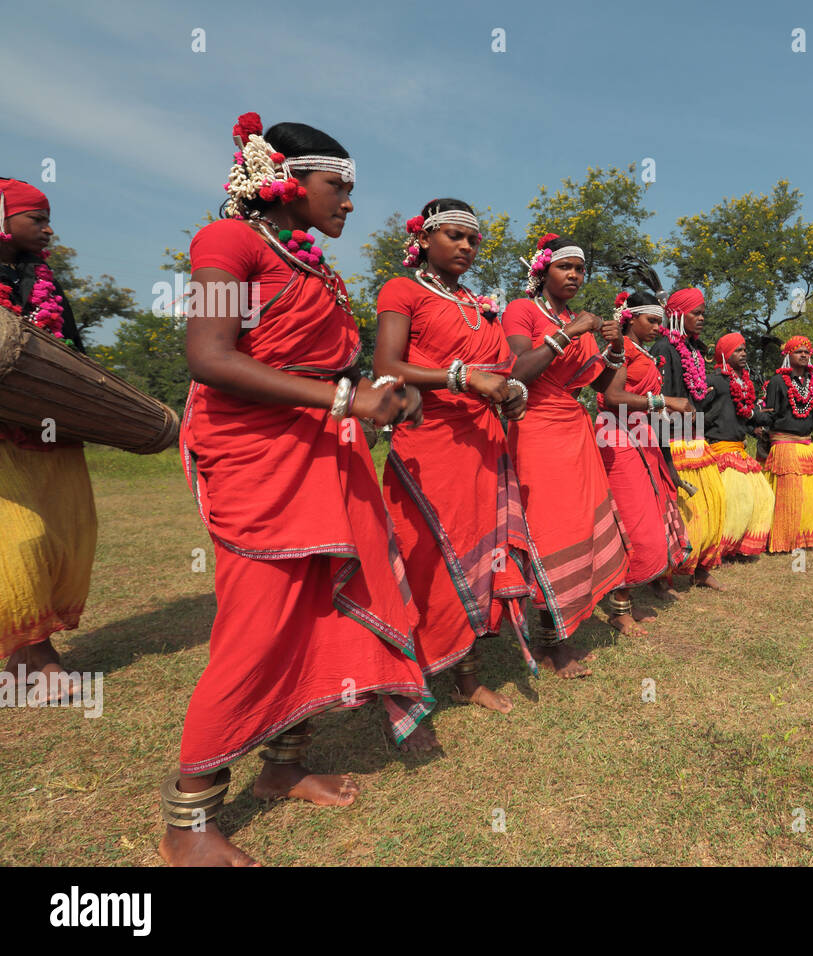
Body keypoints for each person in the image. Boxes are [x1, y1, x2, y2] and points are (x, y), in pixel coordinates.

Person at [160, 114, 431, 866]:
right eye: (337, 188)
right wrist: (347, 402)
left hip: (318, 455)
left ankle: (283, 764)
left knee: (314, 618)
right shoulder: (229, 244)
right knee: (257, 627)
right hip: (255, 462)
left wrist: (381, 391)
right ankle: (187, 822)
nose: (348, 203)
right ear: (288, 181)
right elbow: (209, 357)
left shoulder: (310, 266)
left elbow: (334, 367)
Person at [374, 198, 533, 750]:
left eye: (474, 240)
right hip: (429, 446)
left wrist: (510, 393)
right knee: (423, 565)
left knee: (476, 561)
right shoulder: (403, 291)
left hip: (482, 447)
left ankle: (466, 678)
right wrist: (465, 380)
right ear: (424, 237)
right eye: (455, 236)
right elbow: (387, 368)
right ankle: (408, 696)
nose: (466, 247)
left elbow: (503, 371)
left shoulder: (477, 303)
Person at [502, 234, 632, 675]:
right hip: (534, 427)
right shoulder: (523, 310)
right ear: (543, 271)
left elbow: (600, 387)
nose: (574, 275)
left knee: (578, 527)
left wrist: (615, 348)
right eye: (565, 267)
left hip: (574, 431)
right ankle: (552, 642)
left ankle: (560, 635)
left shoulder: (580, 319)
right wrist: (567, 333)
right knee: (549, 530)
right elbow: (518, 370)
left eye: (579, 269)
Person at [0, 178, 96, 701]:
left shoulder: (43, 281)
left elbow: (71, 349)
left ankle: (21, 657)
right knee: (20, 539)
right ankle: (42, 657)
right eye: (36, 218)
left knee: (63, 536)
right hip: (2, 437)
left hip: (51, 430)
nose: (47, 228)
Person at [595, 291, 692, 621]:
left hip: (639, 436)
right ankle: (619, 609)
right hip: (617, 437)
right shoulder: (621, 349)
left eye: (660, 322)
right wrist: (664, 402)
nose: (657, 328)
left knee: (646, 519)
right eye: (651, 320)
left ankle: (627, 599)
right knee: (630, 521)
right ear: (630, 318)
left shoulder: (642, 352)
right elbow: (611, 397)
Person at [650, 287, 726, 588]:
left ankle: (700, 569)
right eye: (696, 312)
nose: (702, 318)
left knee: (710, 503)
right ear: (679, 315)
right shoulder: (663, 349)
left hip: (695, 436)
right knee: (678, 509)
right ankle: (662, 576)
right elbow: (659, 401)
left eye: (703, 312)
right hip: (673, 439)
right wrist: (664, 451)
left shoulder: (696, 350)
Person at [760, 335, 813, 552]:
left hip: (807, 446)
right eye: (798, 351)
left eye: (806, 351)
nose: (803, 355)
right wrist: (754, 421)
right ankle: (784, 540)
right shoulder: (777, 382)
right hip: (784, 446)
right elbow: (770, 415)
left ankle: (806, 536)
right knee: (789, 496)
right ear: (788, 355)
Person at [704, 332, 774, 556]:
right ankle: (721, 549)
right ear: (725, 354)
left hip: (739, 448)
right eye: (737, 350)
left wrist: (765, 417)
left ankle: (741, 547)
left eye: (744, 349)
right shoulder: (713, 380)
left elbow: (745, 414)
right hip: (720, 448)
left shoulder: (745, 381)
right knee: (737, 502)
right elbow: (700, 412)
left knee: (764, 497)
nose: (743, 353)